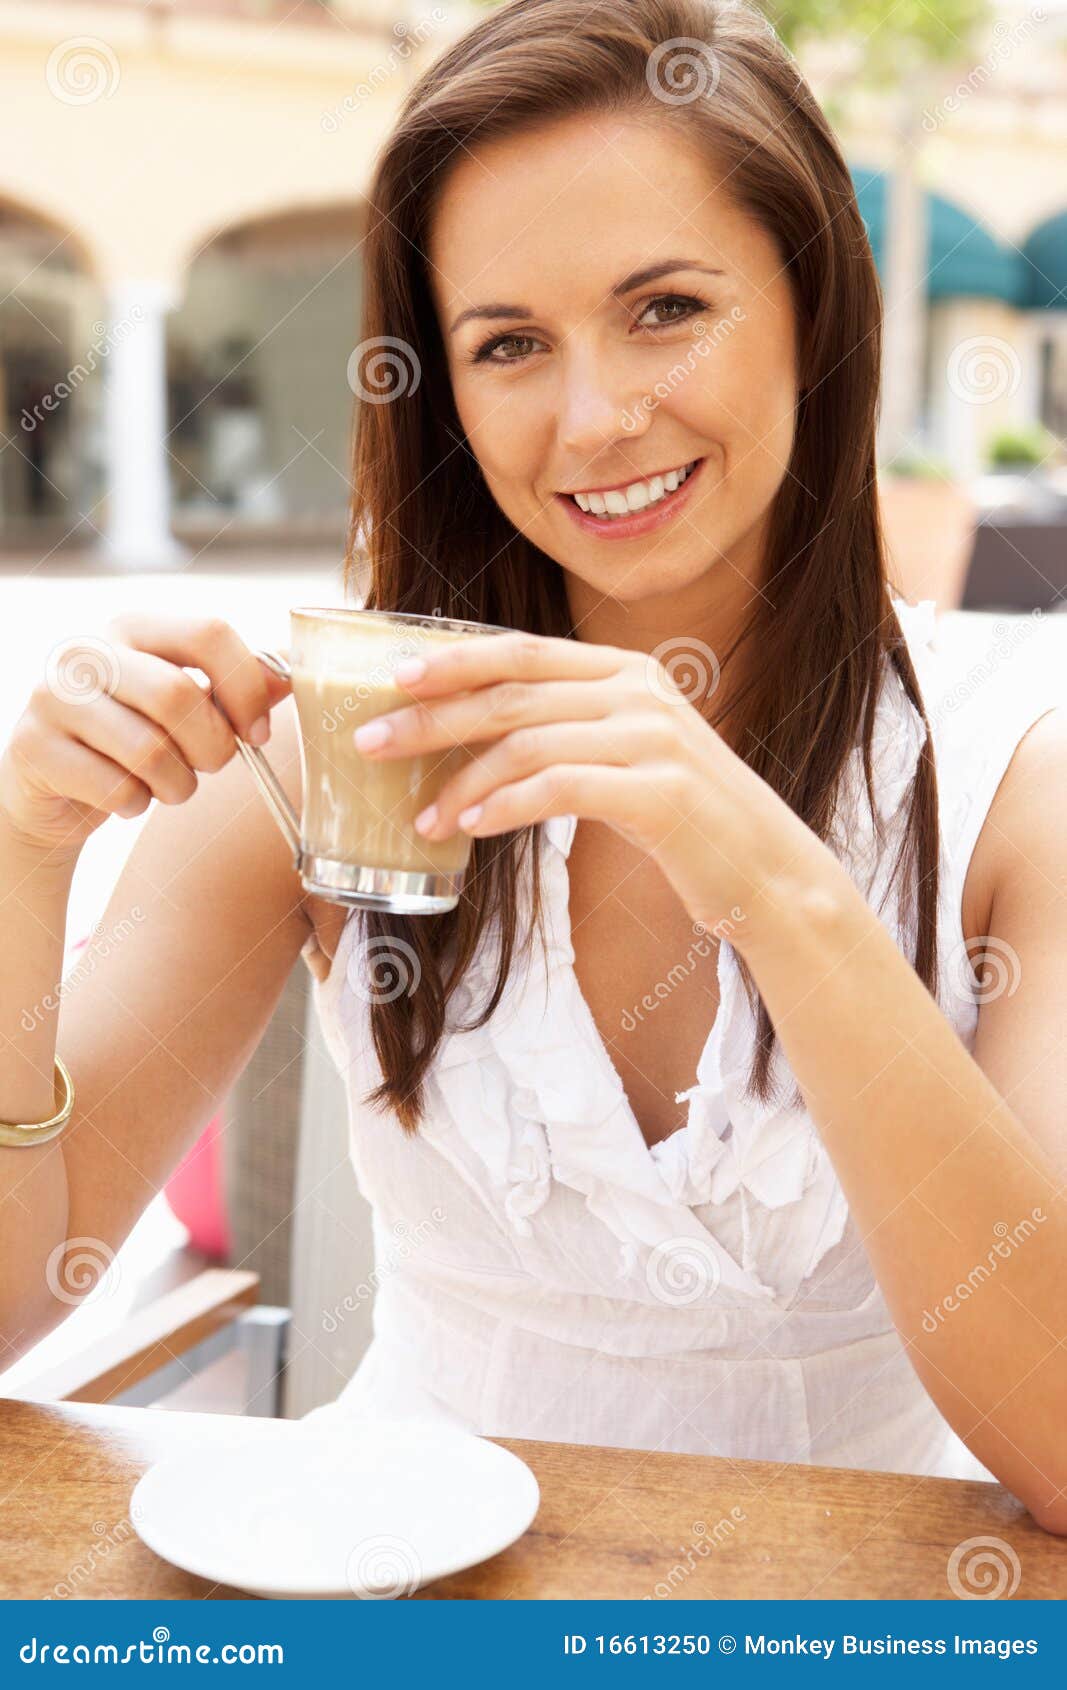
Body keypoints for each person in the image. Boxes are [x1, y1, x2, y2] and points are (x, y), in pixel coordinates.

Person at [1, 0, 1064, 1530]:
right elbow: (20, 1297)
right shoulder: (340, 745)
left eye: (667, 309)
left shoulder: (1018, 774)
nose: (595, 418)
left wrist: (779, 886)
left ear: (817, 308)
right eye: (508, 344)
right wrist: (25, 850)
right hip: (406, 1595)